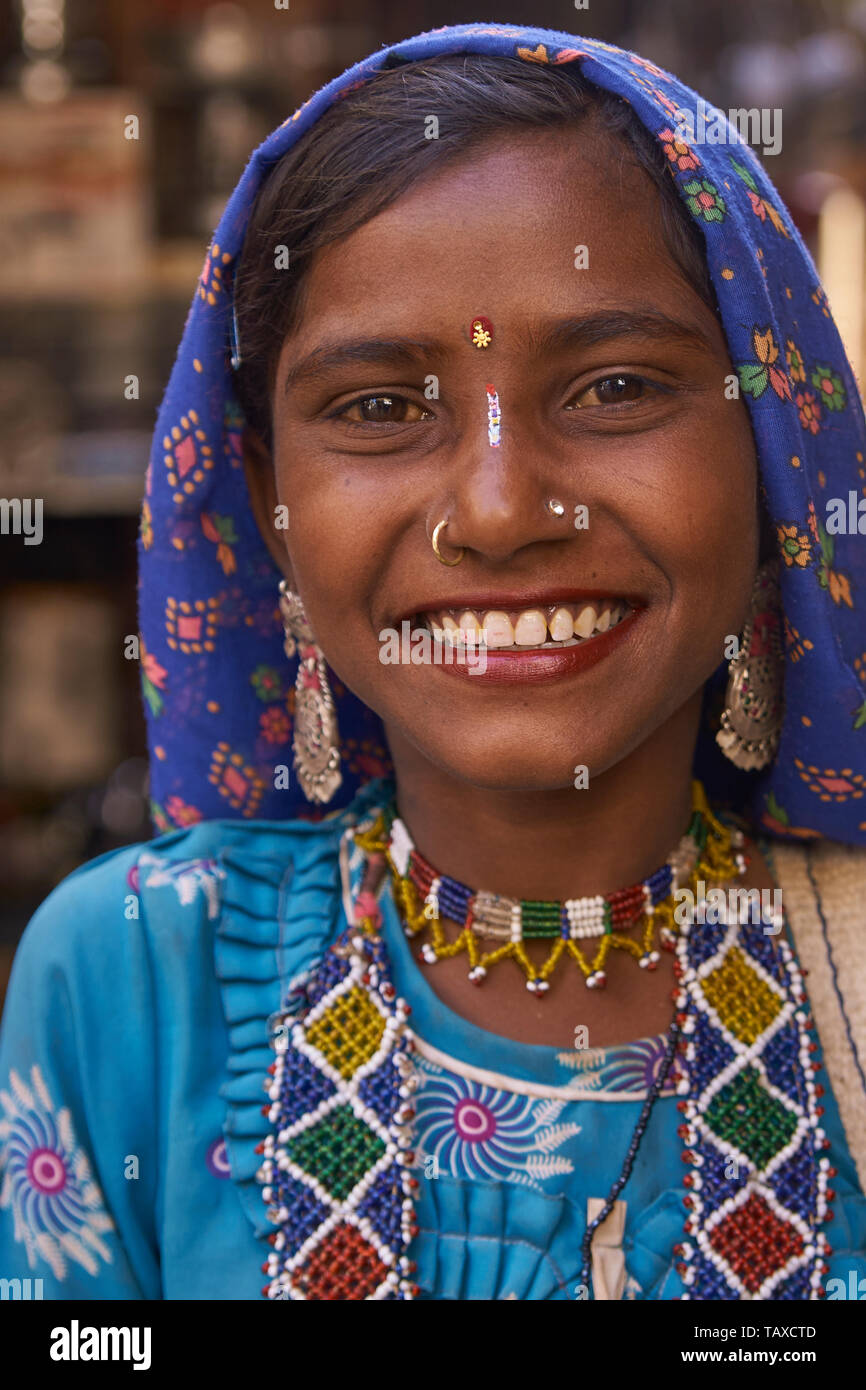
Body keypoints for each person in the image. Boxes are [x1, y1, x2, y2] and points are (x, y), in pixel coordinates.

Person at [1, 22, 865, 1301]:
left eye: (614, 386)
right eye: (380, 408)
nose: (502, 509)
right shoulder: (134, 977)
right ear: (269, 502)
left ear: (773, 464)